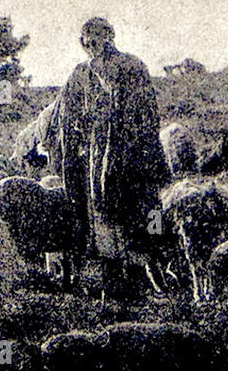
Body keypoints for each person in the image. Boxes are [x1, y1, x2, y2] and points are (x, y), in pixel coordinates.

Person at [55, 18, 169, 304]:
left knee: (136, 213)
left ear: (111, 37)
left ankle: (149, 276)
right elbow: (68, 119)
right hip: (102, 157)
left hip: (128, 155)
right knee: (108, 214)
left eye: (96, 38)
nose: (92, 45)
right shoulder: (81, 74)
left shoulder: (130, 67)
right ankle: (119, 282)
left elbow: (148, 115)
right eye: (87, 40)